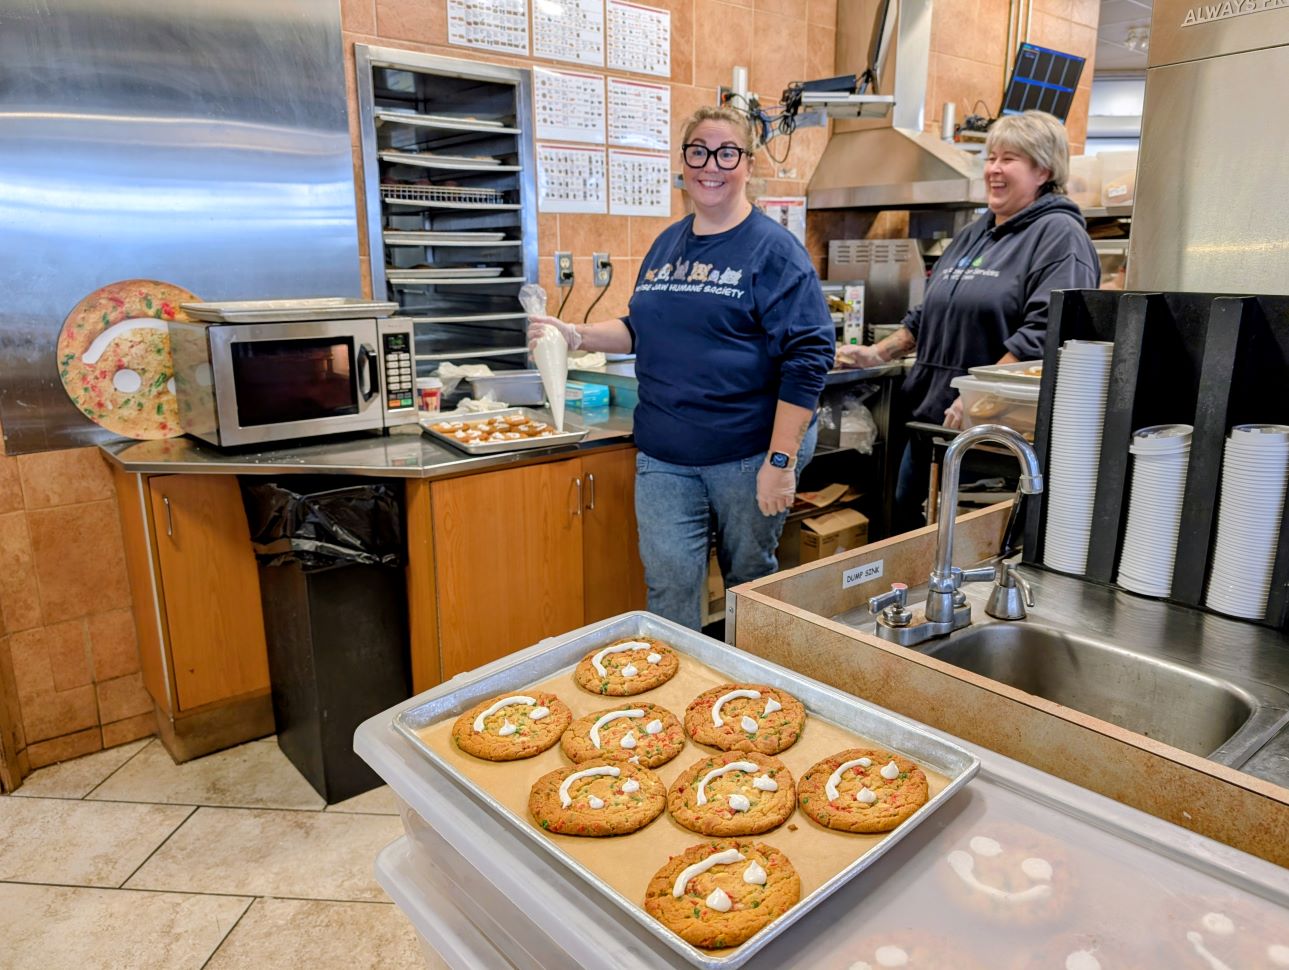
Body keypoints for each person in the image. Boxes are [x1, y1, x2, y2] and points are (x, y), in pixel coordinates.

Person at [527, 106, 834, 629]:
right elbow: (642, 327)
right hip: (664, 454)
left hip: (746, 453)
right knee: (668, 587)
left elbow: (809, 358)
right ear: (683, 162)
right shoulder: (667, 243)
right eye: (698, 152)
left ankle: (747, 678)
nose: (710, 165)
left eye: (726, 153)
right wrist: (574, 334)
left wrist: (780, 463)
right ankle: (680, 681)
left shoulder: (773, 250)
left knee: (748, 584)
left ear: (748, 164)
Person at [836, 110, 1099, 531]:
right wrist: (876, 353)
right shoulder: (977, 232)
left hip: (995, 439)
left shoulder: (1060, 237)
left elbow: (1045, 334)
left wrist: (979, 399)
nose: (994, 169)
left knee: (963, 547)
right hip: (933, 422)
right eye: (991, 158)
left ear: (1044, 170)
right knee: (910, 533)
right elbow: (929, 313)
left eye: (1009, 159)